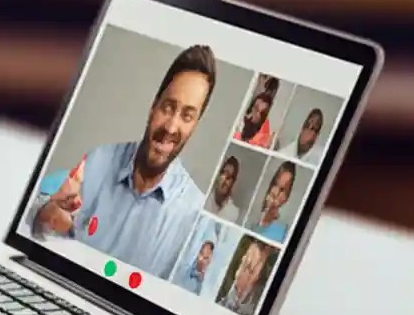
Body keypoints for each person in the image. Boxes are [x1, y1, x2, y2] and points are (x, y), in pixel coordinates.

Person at [29, 45, 216, 279]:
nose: (171, 127)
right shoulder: (98, 161)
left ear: (195, 126)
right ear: (153, 107)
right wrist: (46, 214)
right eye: (168, 108)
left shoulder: (194, 216)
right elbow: (32, 230)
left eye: (187, 116)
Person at [216, 238, 271, 315]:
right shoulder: (222, 293)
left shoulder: (250, 314)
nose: (242, 262)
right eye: (244, 259)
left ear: (255, 277)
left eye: (247, 265)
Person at [250, 161, 296, 243]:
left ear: (286, 197)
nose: (275, 192)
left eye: (282, 189)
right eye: (275, 184)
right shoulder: (252, 215)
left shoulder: (282, 231)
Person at [204, 155, 241, 223]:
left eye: (230, 177)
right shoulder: (204, 197)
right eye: (225, 173)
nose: (226, 180)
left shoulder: (233, 212)